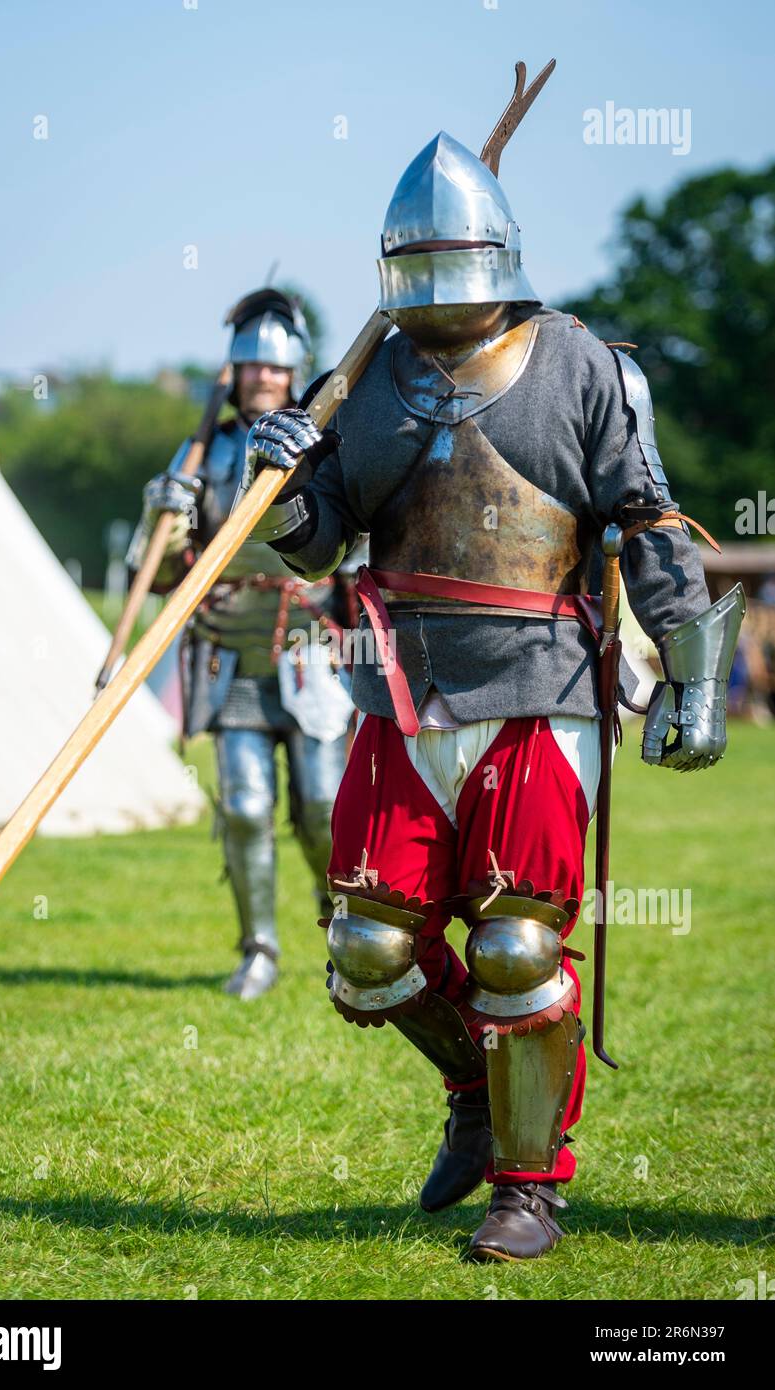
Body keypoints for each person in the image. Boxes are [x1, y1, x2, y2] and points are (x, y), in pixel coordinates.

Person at [238, 133, 745, 1258]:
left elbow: (649, 522)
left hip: (541, 684)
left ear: (494, 251)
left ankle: (529, 1188)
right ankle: (475, 1083)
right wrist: (272, 480)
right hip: (402, 687)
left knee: (517, 945)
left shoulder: (586, 366)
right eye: (411, 267)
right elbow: (318, 544)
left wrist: (689, 676)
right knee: (367, 948)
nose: (431, 288)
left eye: (445, 261)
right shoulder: (363, 377)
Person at [128, 289, 355, 1000]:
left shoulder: (323, 442)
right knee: (245, 806)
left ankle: (346, 936)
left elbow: (348, 544)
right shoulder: (204, 450)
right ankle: (257, 948)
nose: (261, 376)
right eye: (249, 365)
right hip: (229, 655)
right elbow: (161, 571)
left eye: (273, 366)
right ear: (232, 372)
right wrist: (161, 512)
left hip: (309, 649)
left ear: (295, 373)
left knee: (321, 807)